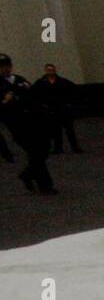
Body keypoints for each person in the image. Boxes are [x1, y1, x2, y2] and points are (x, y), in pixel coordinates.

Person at [0, 53, 55, 194]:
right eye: (2, 67)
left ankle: (27, 174)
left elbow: (32, 94)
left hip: (34, 121)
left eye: (7, 66)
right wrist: (5, 101)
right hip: (17, 125)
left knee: (44, 149)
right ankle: (45, 186)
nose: (6, 69)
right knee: (34, 152)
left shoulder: (19, 79)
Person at [30, 64, 82, 153]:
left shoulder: (62, 81)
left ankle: (75, 147)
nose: (51, 72)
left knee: (70, 130)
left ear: (55, 70)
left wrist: (70, 103)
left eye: (52, 70)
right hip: (51, 110)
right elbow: (33, 93)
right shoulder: (41, 82)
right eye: (49, 70)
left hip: (63, 109)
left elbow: (75, 89)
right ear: (46, 71)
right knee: (56, 131)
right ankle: (58, 148)